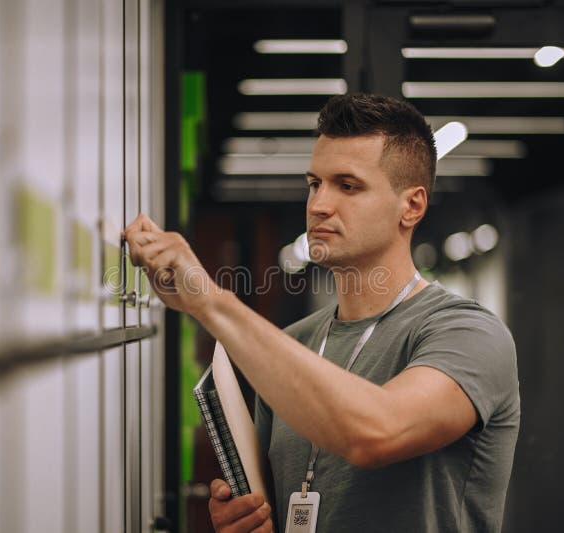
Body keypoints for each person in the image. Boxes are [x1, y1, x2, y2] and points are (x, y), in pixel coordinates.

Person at [125, 94, 520, 533]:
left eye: (347, 186)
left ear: (412, 206)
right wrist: (246, 522)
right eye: (315, 184)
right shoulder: (296, 342)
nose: (318, 205)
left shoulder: (468, 333)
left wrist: (208, 300)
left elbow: (377, 432)